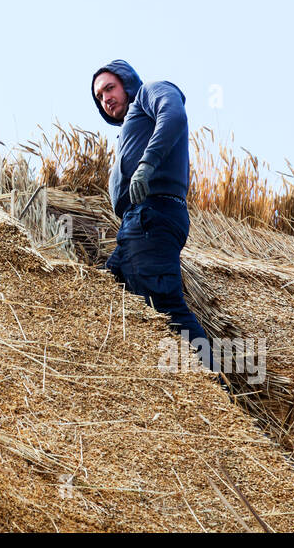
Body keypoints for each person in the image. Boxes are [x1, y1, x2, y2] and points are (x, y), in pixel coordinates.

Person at [91, 59, 217, 372]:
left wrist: (147, 164)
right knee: (111, 289)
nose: (105, 98)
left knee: (166, 305)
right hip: (137, 224)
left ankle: (213, 385)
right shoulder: (131, 128)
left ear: (127, 83)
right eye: (99, 96)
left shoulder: (152, 91)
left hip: (154, 213)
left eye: (110, 88)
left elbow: (173, 113)